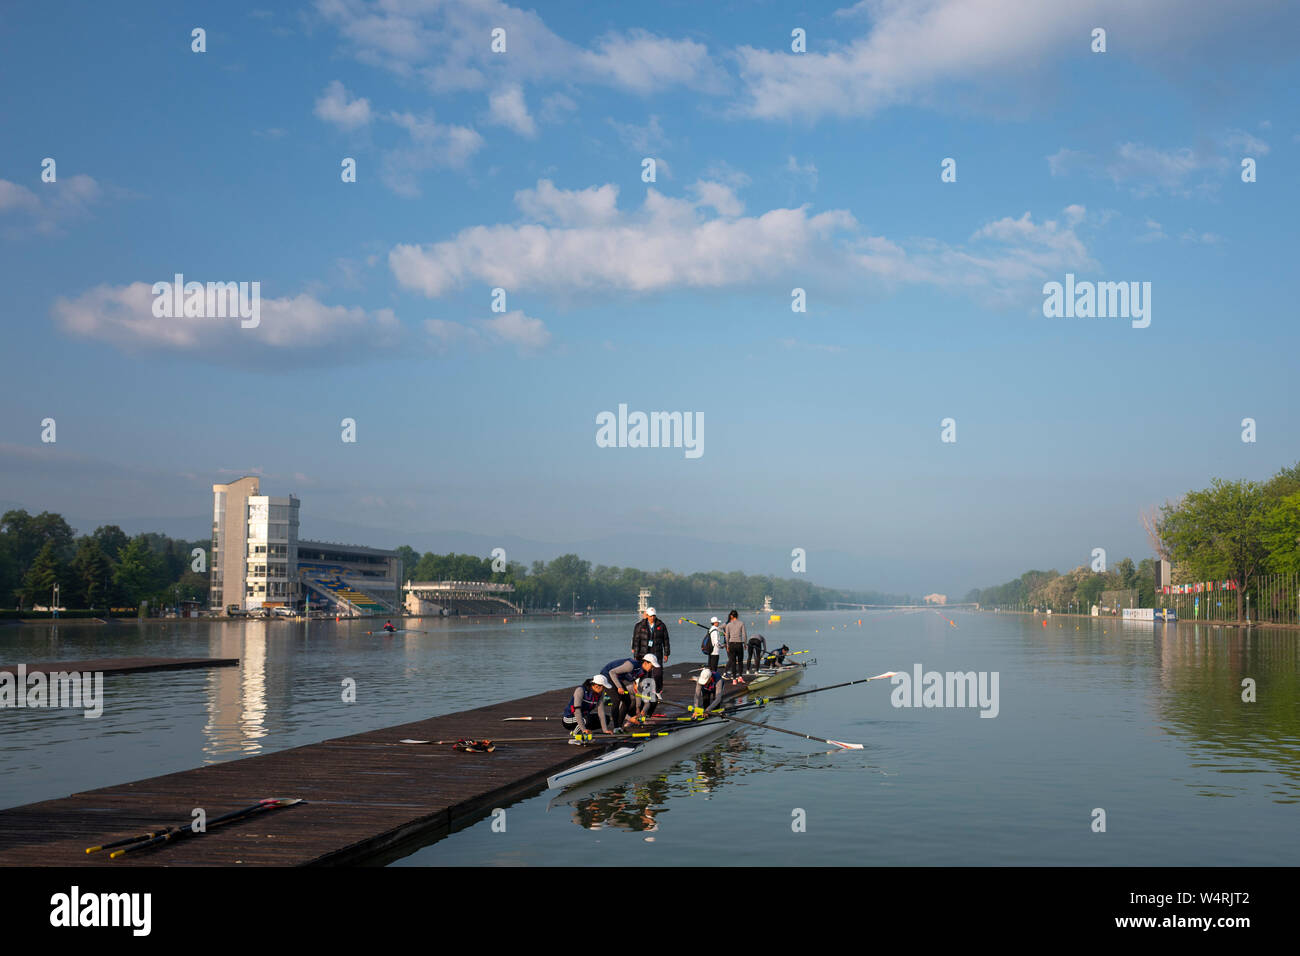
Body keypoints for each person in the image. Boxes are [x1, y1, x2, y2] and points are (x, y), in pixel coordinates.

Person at [632, 607, 670, 699]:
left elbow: (666, 640)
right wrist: (636, 655)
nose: (652, 617)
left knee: (658, 673)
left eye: (654, 616)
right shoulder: (640, 625)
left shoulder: (661, 625)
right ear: (647, 616)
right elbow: (636, 640)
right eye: (650, 616)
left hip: (657, 652)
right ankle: (646, 692)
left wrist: (666, 653)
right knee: (645, 673)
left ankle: (658, 690)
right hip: (644, 653)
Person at [723, 610, 747, 683]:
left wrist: (727, 646)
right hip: (739, 644)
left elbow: (727, 637)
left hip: (731, 644)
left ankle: (734, 679)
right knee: (740, 662)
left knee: (733, 662)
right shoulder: (741, 623)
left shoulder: (728, 625)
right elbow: (744, 635)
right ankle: (740, 677)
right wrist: (745, 644)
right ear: (737, 616)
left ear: (731, 616)